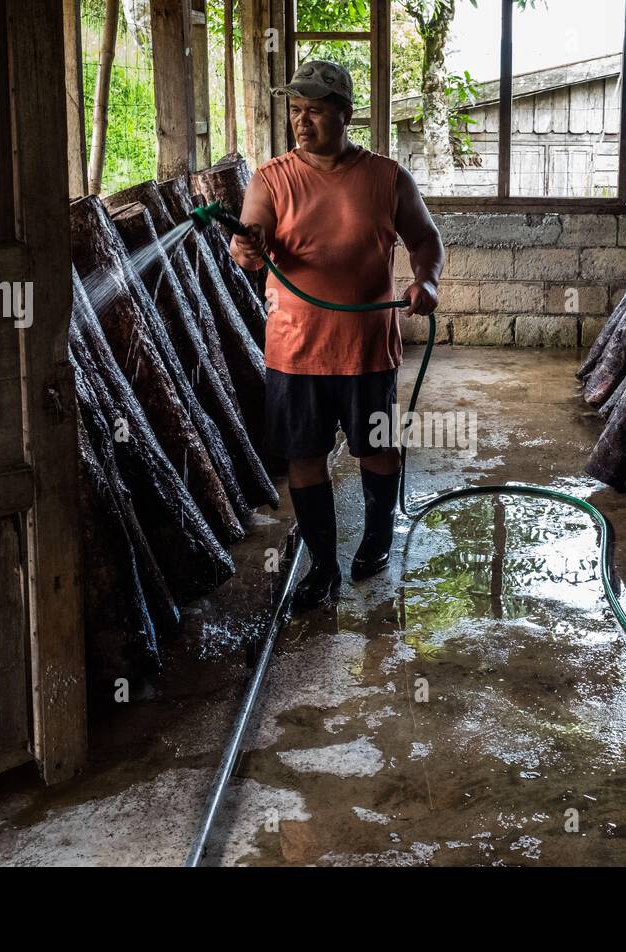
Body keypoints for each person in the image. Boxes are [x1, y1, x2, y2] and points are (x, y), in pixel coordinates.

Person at [229, 60, 445, 610]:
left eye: (316, 111)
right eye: (296, 111)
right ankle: (321, 565)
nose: (302, 122)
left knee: (376, 449)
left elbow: (425, 239)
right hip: (296, 351)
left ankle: (375, 540)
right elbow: (248, 240)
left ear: (346, 115)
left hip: (368, 350)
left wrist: (428, 281)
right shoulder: (271, 178)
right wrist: (248, 247)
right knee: (304, 457)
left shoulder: (387, 177)